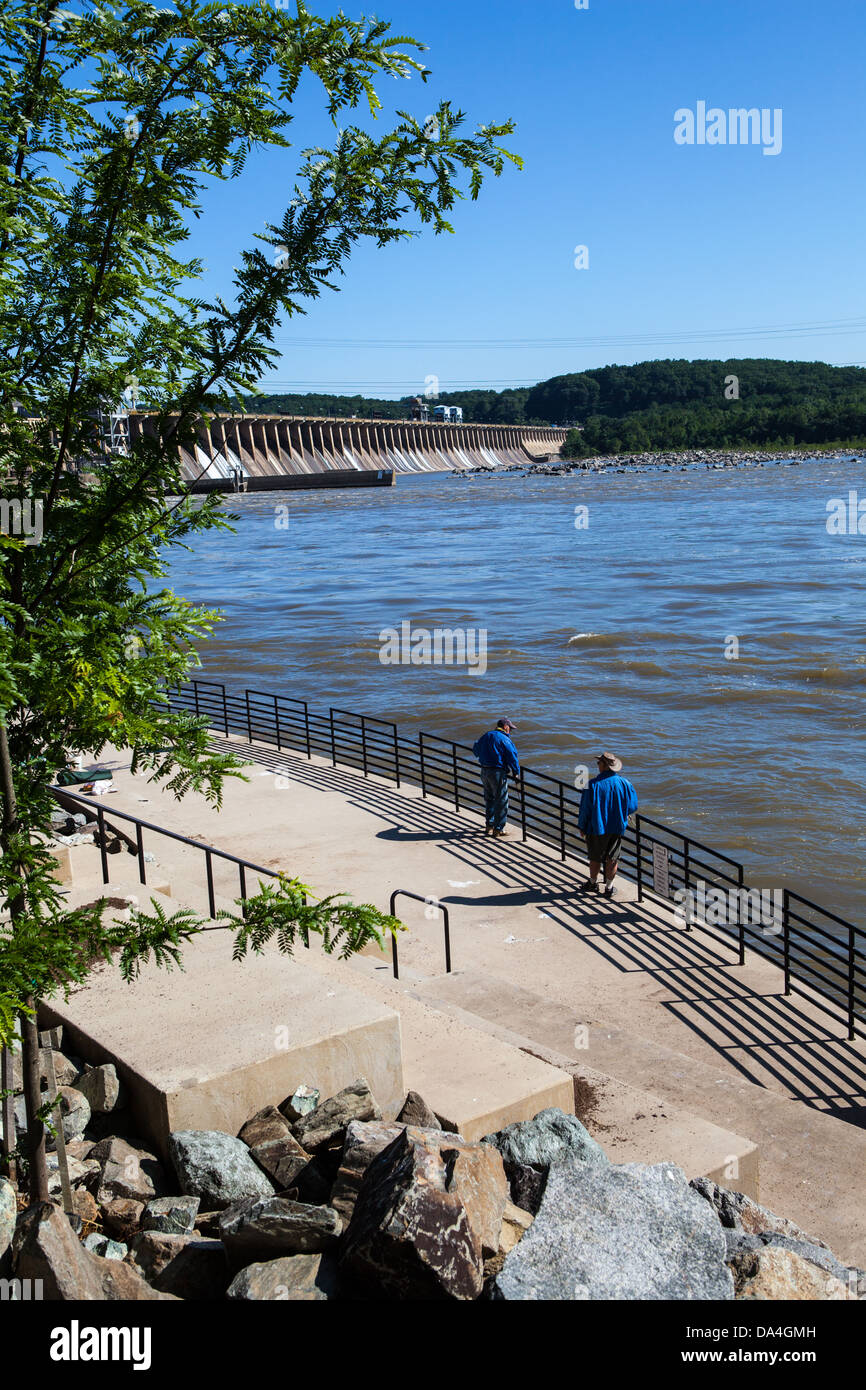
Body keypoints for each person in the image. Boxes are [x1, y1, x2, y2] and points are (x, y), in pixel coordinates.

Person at [577, 751, 638, 899]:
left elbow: (585, 809)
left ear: (604, 766)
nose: (597, 765)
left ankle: (592, 883)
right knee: (613, 857)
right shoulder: (624, 783)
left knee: (595, 857)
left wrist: (582, 826)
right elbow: (632, 806)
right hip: (617, 826)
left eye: (599, 763)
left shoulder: (592, 785)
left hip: (597, 827)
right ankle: (609, 887)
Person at [472, 718, 520, 837]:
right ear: (505, 727)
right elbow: (512, 756)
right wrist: (516, 772)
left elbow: (476, 750)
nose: (511, 731)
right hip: (497, 772)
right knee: (502, 801)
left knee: (489, 799)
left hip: (484, 770)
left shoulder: (487, 735)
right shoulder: (504, 739)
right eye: (510, 728)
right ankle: (498, 829)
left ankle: (489, 825)